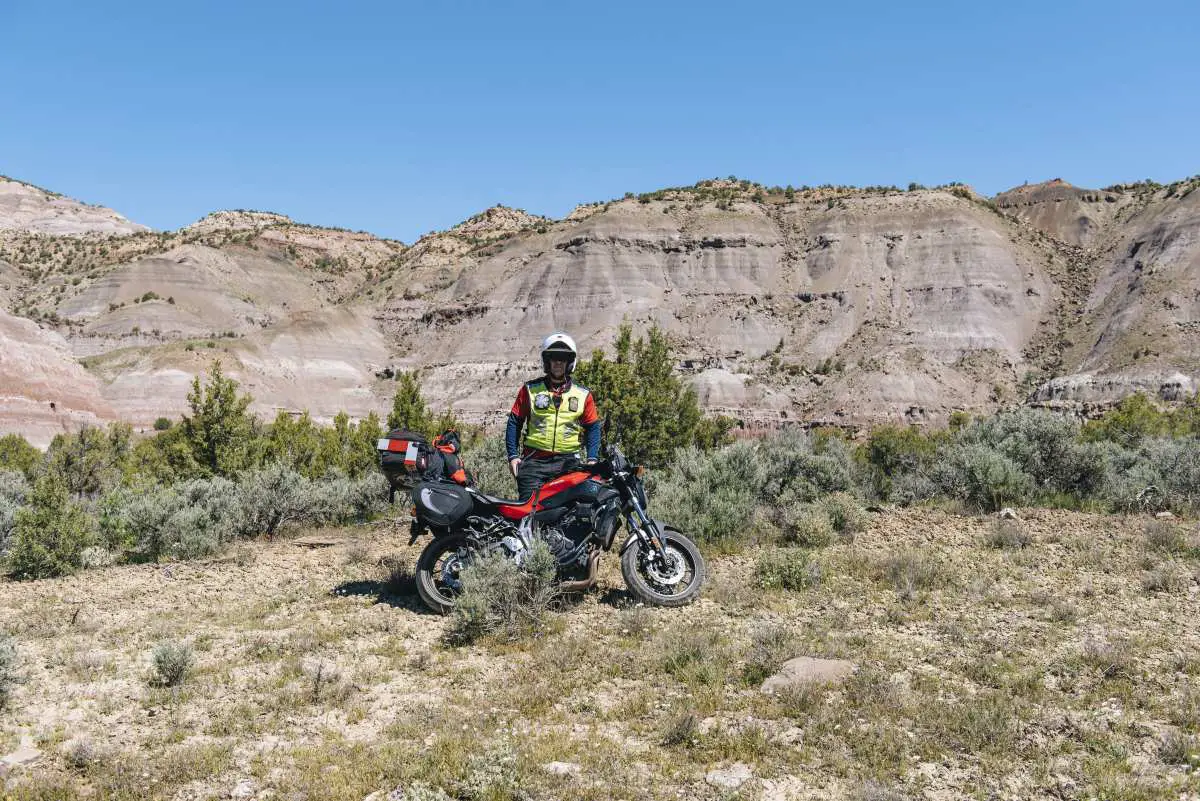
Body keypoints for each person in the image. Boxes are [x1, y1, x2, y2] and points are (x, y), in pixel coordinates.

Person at [505, 332, 601, 500]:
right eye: (553, 357)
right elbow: (515, 422)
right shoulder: (530, 390)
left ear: (570, 362)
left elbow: (593, 427)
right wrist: (513, 457)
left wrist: (592, 459)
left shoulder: (583, 394)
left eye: (562, 358)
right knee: (528, 515)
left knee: (572, 514)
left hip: (569, 463)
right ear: (547, 361)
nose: (558, 362)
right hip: (534, 463)